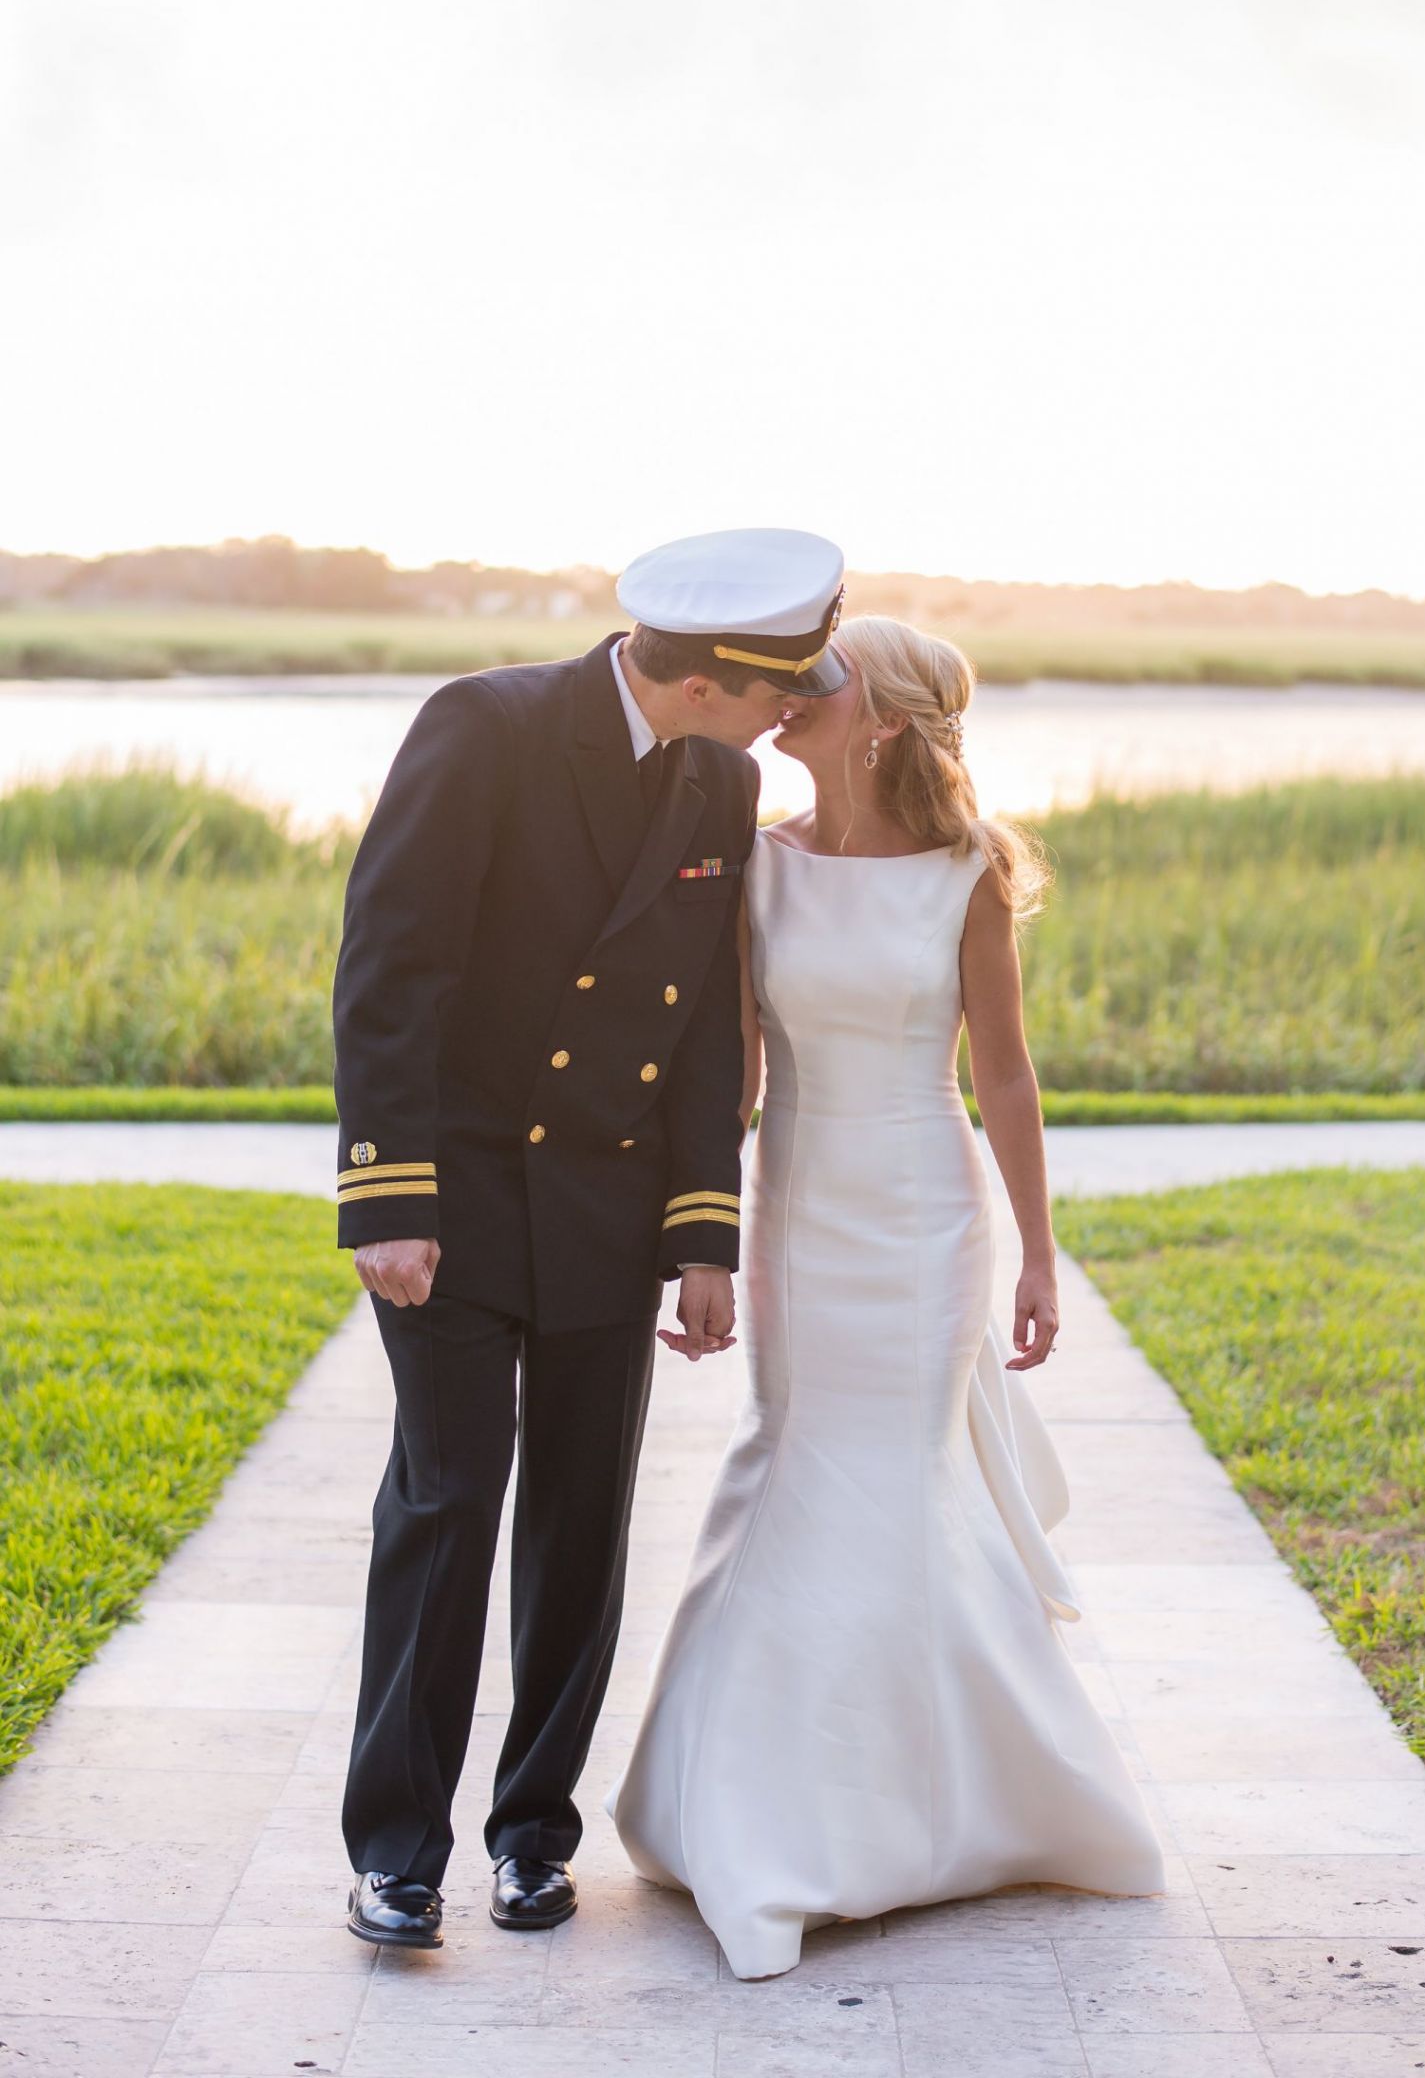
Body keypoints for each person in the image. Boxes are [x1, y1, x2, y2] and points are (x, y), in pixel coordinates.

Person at [609, 614, 1163, 1978]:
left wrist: (1038, 1254)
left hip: (922, 1210)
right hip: (802, 1203)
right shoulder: (757, 858)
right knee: (793, 1462)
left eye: (823, 677)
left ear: (886, 719)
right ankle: (764, 1809)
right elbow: (729, 1071)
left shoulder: (967, 870)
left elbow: (1008, 1077)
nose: (792, 692)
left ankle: (896, 1813)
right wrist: (698, 1236)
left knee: (887, 1479)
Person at [334, 527, 849, 1950]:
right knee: (444, 1508)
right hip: (453, 1199)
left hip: (606, 1210)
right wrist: (386, 1194)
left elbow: (695, 1024)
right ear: (710, 677)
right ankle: (394, 1852)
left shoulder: (723, 779)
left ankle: (531, 1837)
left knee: (581, 1522)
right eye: (780, 690)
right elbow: (389, 966)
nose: (792, 715)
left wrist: (702, 1234)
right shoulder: (486, 726)